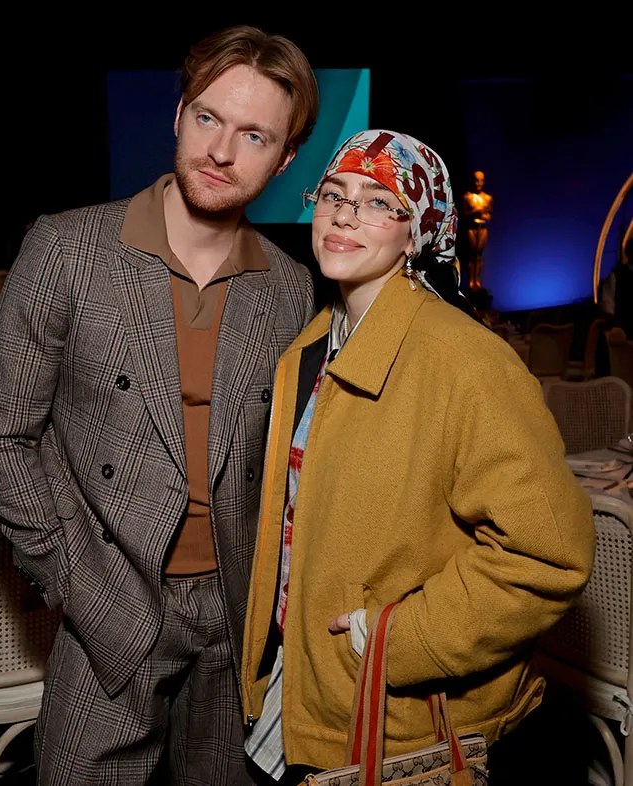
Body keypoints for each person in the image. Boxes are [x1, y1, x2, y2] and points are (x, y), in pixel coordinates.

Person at [0, 24, 318, 786]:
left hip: (236, 620)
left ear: (286, 160)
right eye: (209, 118)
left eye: (254, 135)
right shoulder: (69, 249)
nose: (222, 151)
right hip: (109, 608)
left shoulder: (288, 288)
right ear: (179, 114)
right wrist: (78, 584)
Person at [241, 130, 595, 785]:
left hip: (393, 712)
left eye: (379, 202)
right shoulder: (310, 347)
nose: (345, 214)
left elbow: (548, 553)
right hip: (301, 686)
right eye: (334, 195)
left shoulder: (466, 362)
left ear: (418, 235)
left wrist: (392, 639)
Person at [461, 169, 493, 290]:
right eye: (476, 180)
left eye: (480, 181)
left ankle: (477, 281)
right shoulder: (467, 197)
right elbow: (465, 214)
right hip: (471, 228)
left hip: (482, 228)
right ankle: (471, 282)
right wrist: (476, 211)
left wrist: (484, 216)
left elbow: (489, 214)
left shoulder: (488, 198)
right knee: (471, 256)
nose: (478, 183)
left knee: (479, 255)